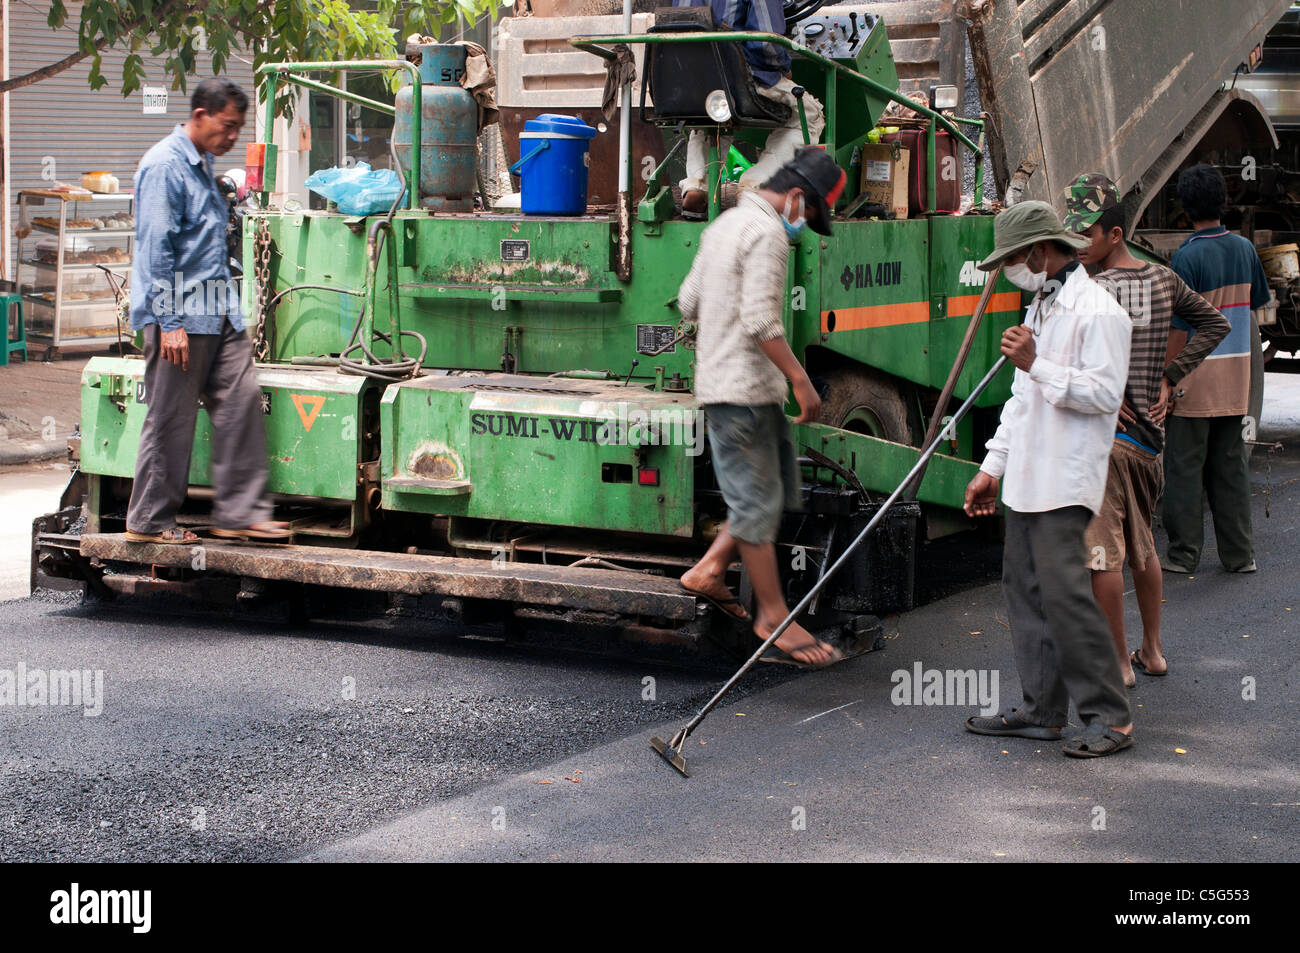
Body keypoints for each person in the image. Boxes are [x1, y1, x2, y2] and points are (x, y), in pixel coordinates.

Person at [962, 201, 1135, 757]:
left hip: (1066, 477)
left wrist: (1037, 363)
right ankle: (1042, 710)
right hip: (1029, 477)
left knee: (1065, 599)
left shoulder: (1100, 311)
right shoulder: (1041, 304)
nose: (1011, 267)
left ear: (1039, 251)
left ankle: (1110, 718)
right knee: (1027, 592)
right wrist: (992, 467)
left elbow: (1105, 396)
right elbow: (1021, 398)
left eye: (1014, 257)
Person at [677, 147, 846, 666]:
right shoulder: (769, 233)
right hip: (745, 390)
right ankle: (773, 615)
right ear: (796, 197)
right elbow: (760, 321)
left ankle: (709, 570)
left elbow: (687, 301)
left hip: (726, 385)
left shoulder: (724, 224)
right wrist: (802, 381)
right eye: (811, 214)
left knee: (768, 493)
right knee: (756, 501)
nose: (805, 226)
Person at [1064, 173, 1229, 685]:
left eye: (1086, 234)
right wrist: (1170, 378)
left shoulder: (1090, 290)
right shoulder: (1163, 279)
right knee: (1144, 548)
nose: (1077, 245)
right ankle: (1152, 651)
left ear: (1115, 234)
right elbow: (1215, 324)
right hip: (1151, 441)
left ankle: (1117, 663)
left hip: (1107, 439)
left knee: (1101, 556)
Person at [125, 78, 290, 545]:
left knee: (240, 405)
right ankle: (149, 521)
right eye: (228, 126)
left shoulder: (203, 165)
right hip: (180, 315)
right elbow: (155, 249)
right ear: (200, 116)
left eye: (238, 127)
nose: (233, 135)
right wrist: (169, 321)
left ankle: (240, 513)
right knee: (171, 418)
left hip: (219, 312)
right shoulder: (165, 166)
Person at [1161, 164, 1272, 574]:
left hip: (1195, 380)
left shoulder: (1188, 256)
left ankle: (1184, 554)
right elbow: (1257, 301)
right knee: (1231, 468)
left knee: (1185, 468)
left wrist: (1168, 377)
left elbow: (1179, 328)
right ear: (1223, 204)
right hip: (1236, 379)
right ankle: (1240, 556)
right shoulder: (1243, 248)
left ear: (1184, 210)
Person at [674, 0, 826, 219]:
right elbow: (766, 43)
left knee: (707, 112)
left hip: (687, 83)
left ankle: (697, 187)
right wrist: (784, 67)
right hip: (738, 79)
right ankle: (755, 187)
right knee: (808, 113)